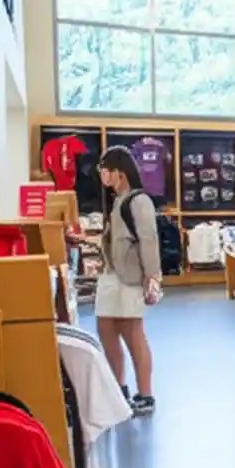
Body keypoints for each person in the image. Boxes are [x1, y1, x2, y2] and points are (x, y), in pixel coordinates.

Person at [97, 146, 163, 416]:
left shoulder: (139, 200)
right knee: (106, 328)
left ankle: (145, 395)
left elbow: (149, 240)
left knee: (132, 332)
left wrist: (153, 278)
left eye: (105, 170)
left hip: (133, 277)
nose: (102, 176)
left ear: (119, 172)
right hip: (112, 274)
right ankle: (118, 389)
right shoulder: (117, 200)